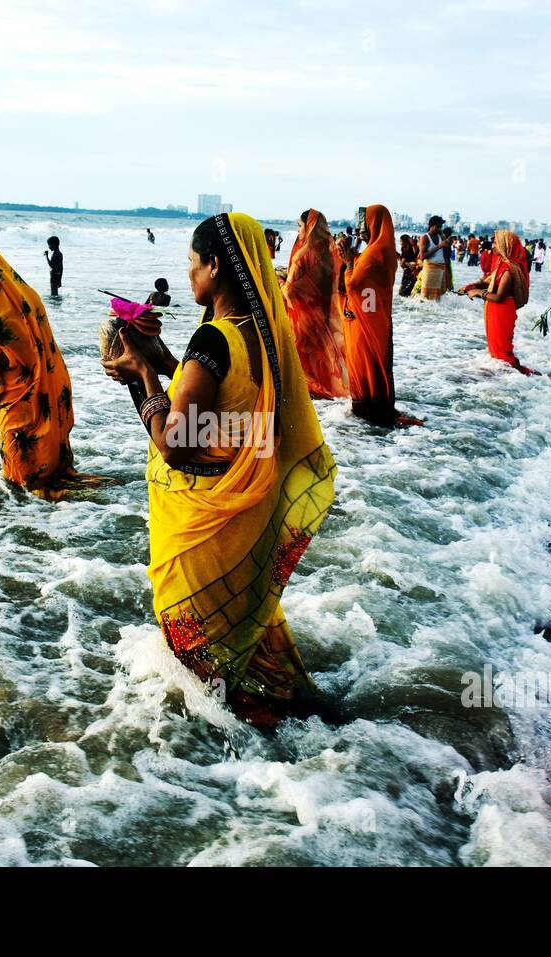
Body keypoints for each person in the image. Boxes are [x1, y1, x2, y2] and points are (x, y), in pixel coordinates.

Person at [100, 213, 338, 727]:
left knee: (196, 643)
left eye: (192, 262)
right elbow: (228, 393)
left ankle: (219, 736)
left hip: (207, 516)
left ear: (213, 265)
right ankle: (262, 714)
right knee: (232, 626)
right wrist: (164, 359)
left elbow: (176, 444)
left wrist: (140, 376)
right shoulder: (257, 333)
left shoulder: (210, 340)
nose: (187, 274)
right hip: (248, 509)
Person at [0, 241, 108, 500]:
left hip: (16, 400)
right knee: (49, 466)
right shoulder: (26, 296)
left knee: (24, 483)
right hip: (49, 385)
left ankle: (31, 520)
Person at [344, 205, 423, 426]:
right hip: (377, 318)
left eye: (363, 222)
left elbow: (353, 285)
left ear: (374, 223)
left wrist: (349, 263)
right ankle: (378, 407)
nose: (360, 228)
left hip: (364, 321)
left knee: (366, 363)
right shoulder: (384, 250)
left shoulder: (373, 253)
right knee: (377, 362)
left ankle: (370, 412)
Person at [283, 208, 350, 399]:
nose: (298, 231)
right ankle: (328, 398)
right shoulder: (332, 253)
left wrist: (280, 282)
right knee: (323, 361)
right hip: (325, 314)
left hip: (305, 318)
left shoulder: (302, 255)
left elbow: (290, 291)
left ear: (309, 227)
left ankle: (312, 403)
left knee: (305, 365)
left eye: (299, 226)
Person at [458, 230, 535, 376]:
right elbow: (488, 281)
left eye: (496, 243)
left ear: (506, 246)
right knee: (495, 346)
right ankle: (503, 373)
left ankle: (515, 375)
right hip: (494, 309)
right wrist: (471, 286)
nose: (493, 246)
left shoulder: (509, 269)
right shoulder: (501, 264)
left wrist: (478, 293)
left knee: (503, 346)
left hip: (503, 309)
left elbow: (499, 296)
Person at [418, 216, 451, 301]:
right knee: (426, 298)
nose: (439, 229)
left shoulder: (441, 236)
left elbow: (447, 251)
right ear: (431, 226)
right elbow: (422, 256)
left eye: (440, 227)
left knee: (439, 298)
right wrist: (439, 246)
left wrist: (447, 243)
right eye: (437, 227)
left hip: (441, 269)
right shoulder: (425, 237)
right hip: (430, 269)